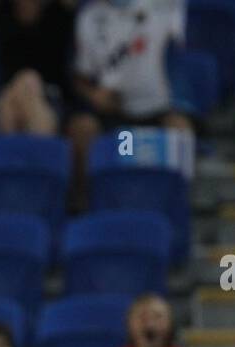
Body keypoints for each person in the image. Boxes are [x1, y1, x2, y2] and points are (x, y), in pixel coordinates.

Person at [68, 0, 193, 208]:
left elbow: (177, 37)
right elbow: (80, 76)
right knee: (82, 129)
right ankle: (86, 206)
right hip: (112, 111)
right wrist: (94, 96)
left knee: (180, 128)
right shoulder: (89, 17)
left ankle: (181, 206)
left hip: (155, 110)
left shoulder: (162, 6)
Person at [0, 0, 79, 137]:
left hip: (49, 93)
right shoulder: (2, 13)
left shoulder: (59, 14)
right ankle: (36, 152)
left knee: (29, 80)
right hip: (7, 92)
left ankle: (11, 153)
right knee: (24, 83)